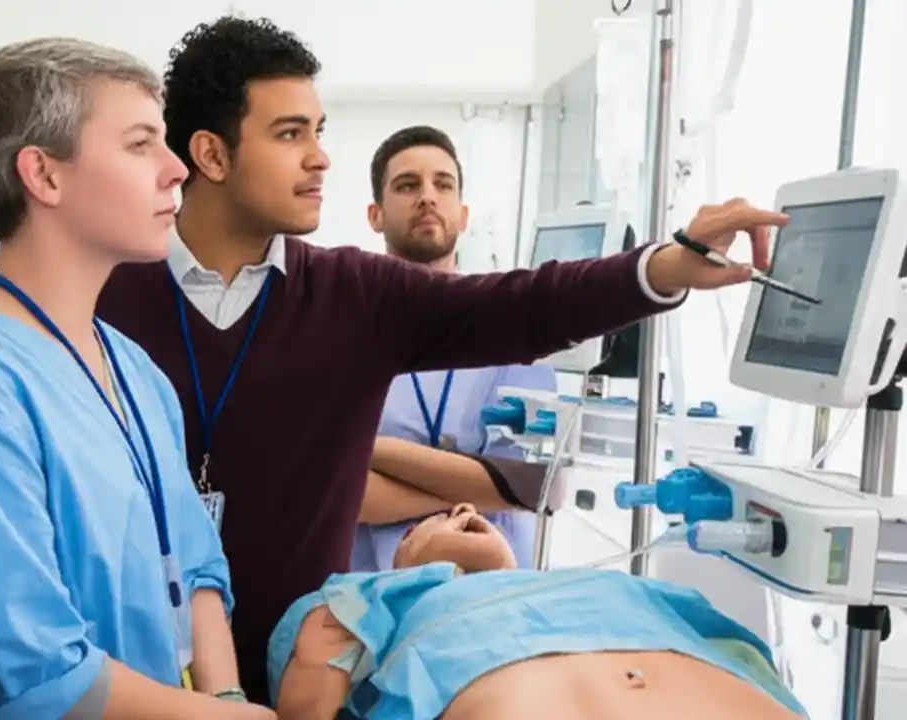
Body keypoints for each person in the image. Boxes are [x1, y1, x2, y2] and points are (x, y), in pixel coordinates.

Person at [95, 15, 789, 701]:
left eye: (318, 131)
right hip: (132, 678)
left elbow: (524, 305)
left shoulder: (356, 297)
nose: (320, 157)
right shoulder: (103, 296)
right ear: (212, 157)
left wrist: (662, 267)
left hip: (309, 678)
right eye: (289, 134)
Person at [0, 39, 275, 719]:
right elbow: (33, 674)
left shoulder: (132, 367)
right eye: (139, 144)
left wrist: (227, 694)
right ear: (44, 175)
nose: (176, 168)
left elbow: (196, 561)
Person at [269, 504, 807, 719]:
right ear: (405, 543)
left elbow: (740, 651)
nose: (464, 511)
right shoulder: (368, 597)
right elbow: (307, 705)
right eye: (436, 518)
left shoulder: (616, 586)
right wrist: (407, 574)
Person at [352, 125, 558, 572]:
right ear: (375, 215)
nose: (427, 196)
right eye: (407, 185)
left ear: (463, 215)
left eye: (442, 184)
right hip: (373, 591)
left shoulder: (507, 323)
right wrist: (477, 485)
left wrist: (368, 448)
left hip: (488, 594)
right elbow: (345, 492)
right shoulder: (345, 326)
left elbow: (527, 483)